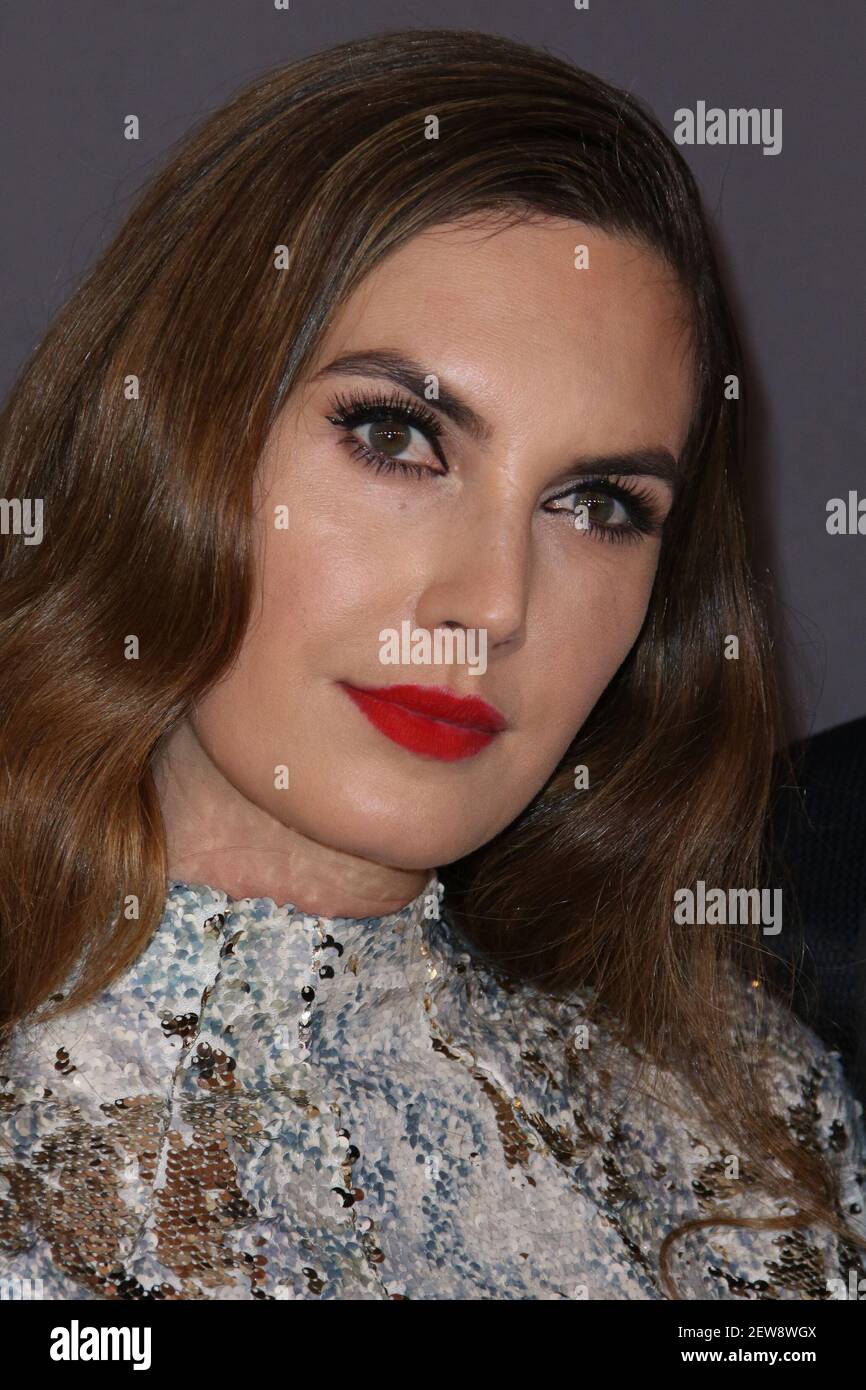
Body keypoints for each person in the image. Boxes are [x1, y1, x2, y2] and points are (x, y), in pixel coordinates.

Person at [0, 26, 863, 1301]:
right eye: (397, 435)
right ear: (170, 440)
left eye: (596, 504)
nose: (492, 604)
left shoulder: (754, 1121)